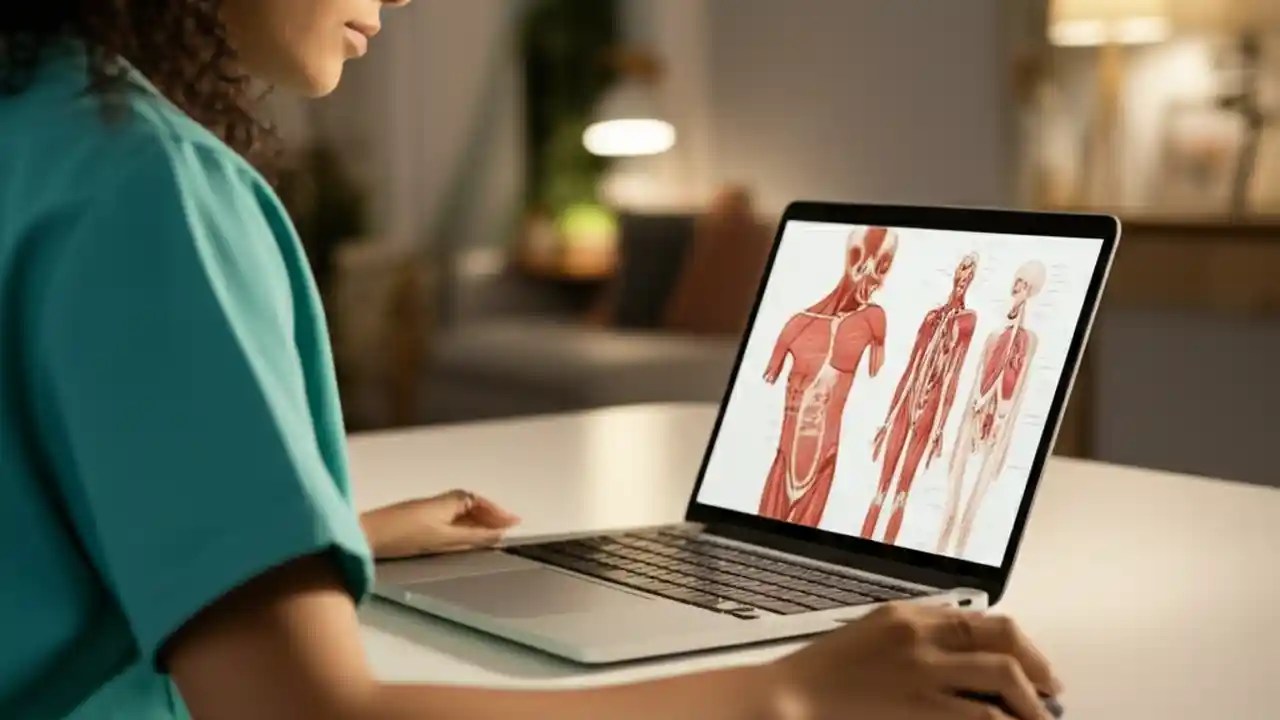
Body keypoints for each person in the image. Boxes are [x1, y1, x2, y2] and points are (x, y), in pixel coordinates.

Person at [0, 2, 1062, 719]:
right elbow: (308, 715)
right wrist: (787, 695)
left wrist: (308, 543)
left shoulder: (32, 120)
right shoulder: (151, 189)